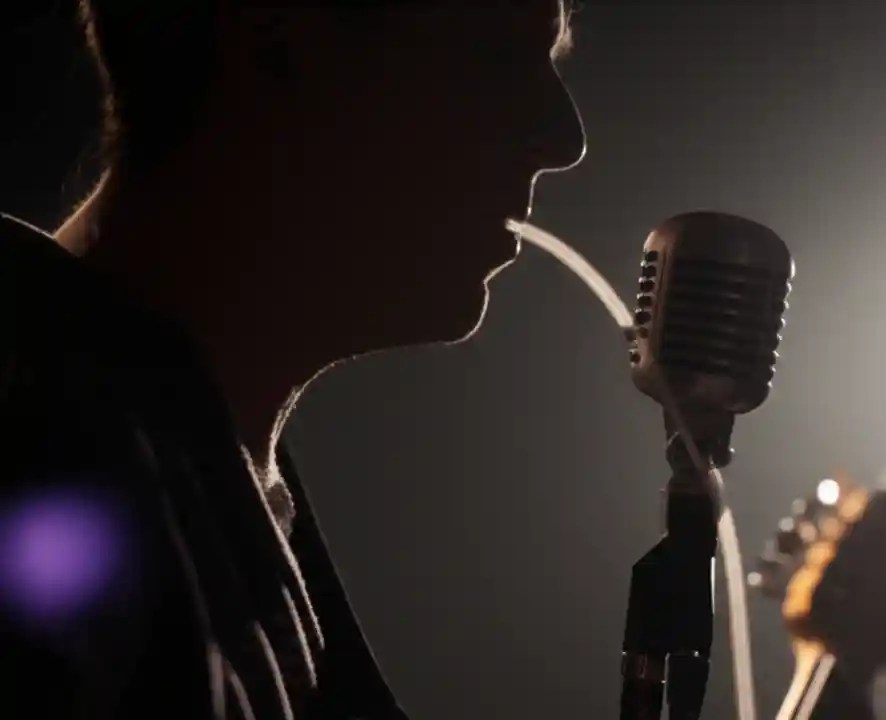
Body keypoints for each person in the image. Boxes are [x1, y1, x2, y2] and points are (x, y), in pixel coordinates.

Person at [0, 1, 584, 718]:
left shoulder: (203, 484)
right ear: (278, 35)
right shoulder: (44, 449)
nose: (563, 137)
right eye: (496, 53)